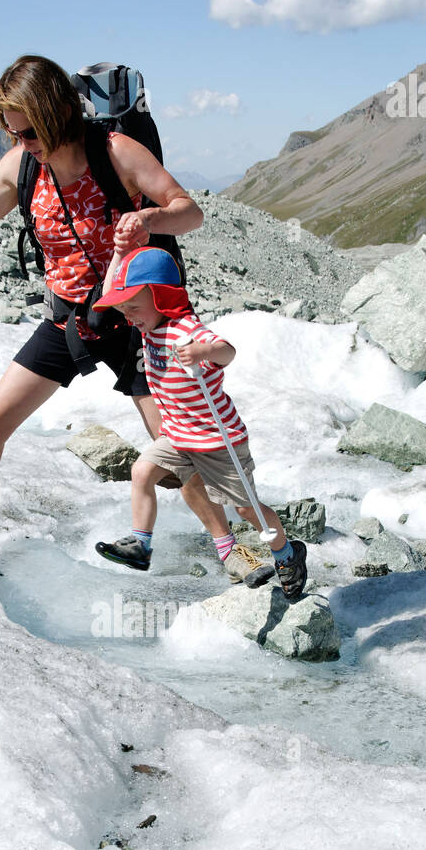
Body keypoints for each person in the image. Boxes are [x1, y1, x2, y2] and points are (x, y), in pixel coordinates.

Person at [0, 54, 241, 564]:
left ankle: (234, 550)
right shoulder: (21, 165)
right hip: (70, 319)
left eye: (30, 131)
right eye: (14, 133)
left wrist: (149, 218)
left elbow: (188, 212)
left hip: (138, 319)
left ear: (58, 112)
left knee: (175, 443)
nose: (23, 143)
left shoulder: (116, 151)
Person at [93, 247, 308, 601]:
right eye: (123, 310)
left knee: (245, 508)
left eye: (133, 308)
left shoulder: (186, 330)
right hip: (178, 434)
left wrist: (203, 353)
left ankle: (287, 554)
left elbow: (227, 351)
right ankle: (141, 545)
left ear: (161, 297)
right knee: (142, 471)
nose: (128, 317)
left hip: (216, 440)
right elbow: (108, 300)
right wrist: (117, 253)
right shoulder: (148, 326)